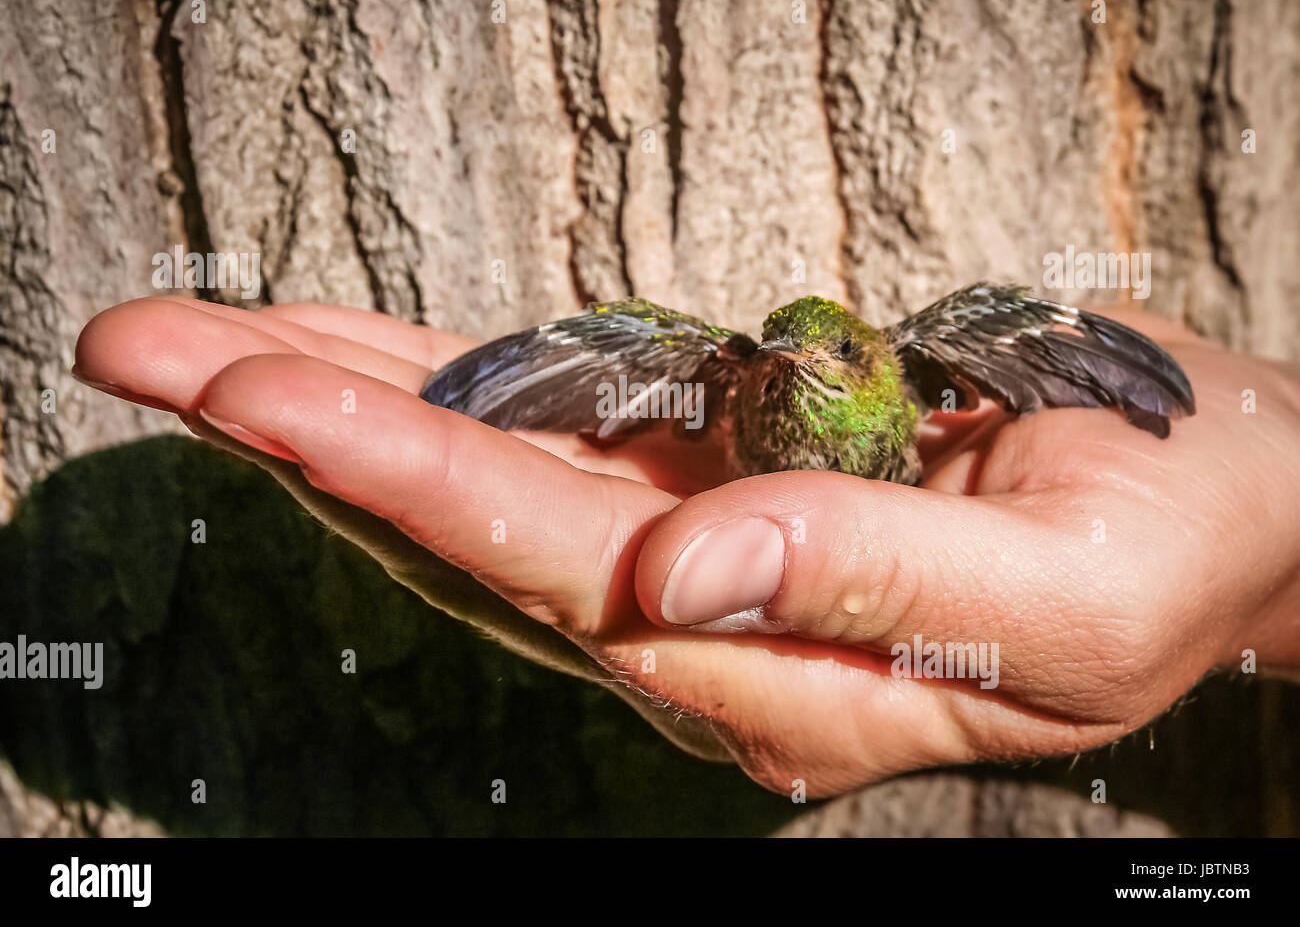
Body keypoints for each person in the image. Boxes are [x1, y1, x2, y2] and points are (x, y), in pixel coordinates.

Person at [73, 296, 1300, 796]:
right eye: (774, 357)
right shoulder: (731, 371)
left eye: (824, 360)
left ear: (878, 372)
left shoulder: (915, 369)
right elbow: (620, 350)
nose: (786, 371)